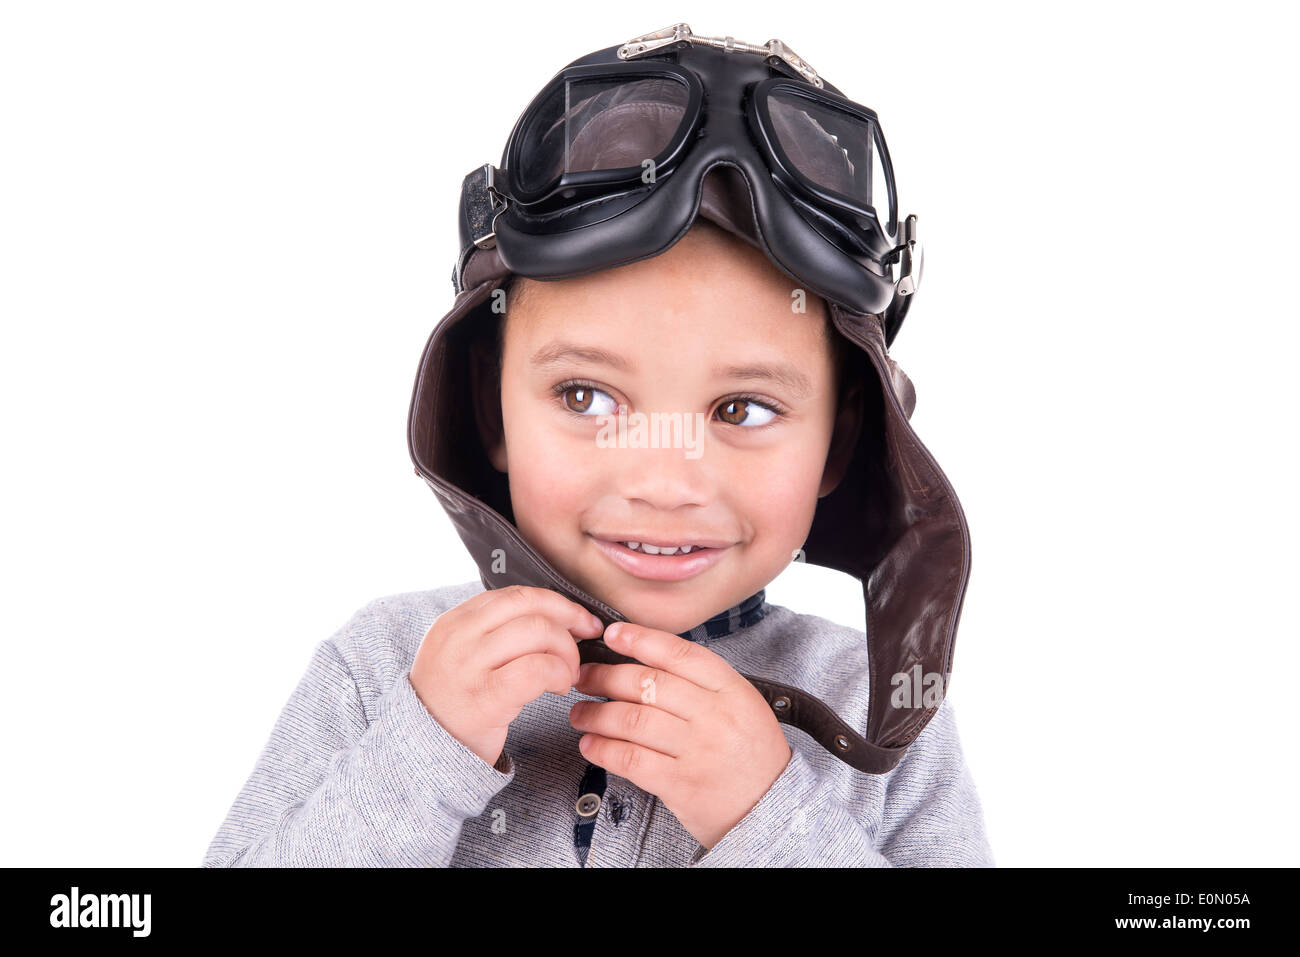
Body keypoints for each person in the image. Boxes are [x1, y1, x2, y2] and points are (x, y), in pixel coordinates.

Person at [203, 23, 993, 867]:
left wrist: (769, 817)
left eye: (743, 409)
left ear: (841, 444)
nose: (664, 478)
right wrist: (421, 750)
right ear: (489, 409)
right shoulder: (386, 669)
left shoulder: (876, 711)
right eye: (585, 395)